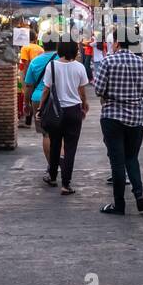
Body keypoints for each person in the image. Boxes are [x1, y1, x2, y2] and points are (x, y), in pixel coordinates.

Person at [93, 35, 143, 215]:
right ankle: (138, 194)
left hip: (112, 117)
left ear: (117, 43)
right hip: (135, 118)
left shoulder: (108, 61)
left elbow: (98, 89)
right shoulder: (141, 63)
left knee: (117, 162)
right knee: (131, 158)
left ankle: (119, 205)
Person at [40, 40, 89, 194]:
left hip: (56, 111)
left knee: (55, 144)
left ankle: (53, 176)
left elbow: (46, 90)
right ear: (74, 51)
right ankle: (66, 184)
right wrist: (84, 103)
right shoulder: (79, 67)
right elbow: (81, 90)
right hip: (73, 111)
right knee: (70, 148)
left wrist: (41, 108)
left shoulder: (52, 66)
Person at [24, 39, 59, 161]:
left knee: (46, 134)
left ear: (42, 45)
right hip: (59, 99)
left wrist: (26, 103)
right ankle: (61, 163)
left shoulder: (35, 61)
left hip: (39, 99)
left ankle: (51, 165)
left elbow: (28, 85)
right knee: (60, 133)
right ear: (57, 44)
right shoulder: (62, 60)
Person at [18, 30, 44, 125]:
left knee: (28, 95)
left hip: (30, 73)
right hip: (40, 74)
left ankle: (28, 120)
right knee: (35, 94)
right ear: (35, 38)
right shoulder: (40, 48)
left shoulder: (25, 48)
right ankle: (38, 116)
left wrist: (25, 76)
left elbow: (26, 63)